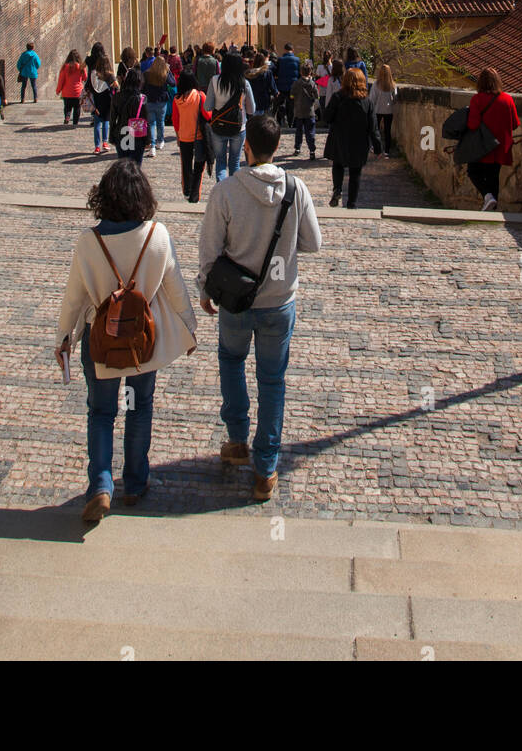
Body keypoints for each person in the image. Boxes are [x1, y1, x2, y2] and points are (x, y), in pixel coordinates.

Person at [55, 160, 197, 523]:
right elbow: (177, 289)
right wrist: (189, 328)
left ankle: (101, 485)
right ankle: (134, 483)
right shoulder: (157, 236)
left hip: (101, 342)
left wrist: (63, 339)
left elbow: (74, 297)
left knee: (101, 413)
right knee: (139, 408)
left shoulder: (90, 242)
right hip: (141, 344)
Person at [197, 114, 322, 502]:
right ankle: (266, 468)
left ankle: (236, 440)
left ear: (247, 146)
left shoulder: (226, 191)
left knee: (231, 363)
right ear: (276, 147)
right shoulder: (295, 188)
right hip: (280, 302)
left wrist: (204, 288)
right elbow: (313, 242)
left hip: (236, 300)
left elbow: (210, 248)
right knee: (273, 381)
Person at [324, 67, 381, 209]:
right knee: (355, 173)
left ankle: (337, 189)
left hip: (339, 138)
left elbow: (327, 117)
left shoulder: (338, 97)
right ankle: (352, 203)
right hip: (359, 141)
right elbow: (373, 127)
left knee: (338, 164)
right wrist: (378, 147)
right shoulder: (367, 102)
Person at [466, 67, 520, 211]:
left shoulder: (477, 100)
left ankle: (487, 196)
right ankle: (492, 207)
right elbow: (515, 124)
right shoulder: (507, 99)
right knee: (493, 176)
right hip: (501, 146)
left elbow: (473, 124)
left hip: (483, 145)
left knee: (473, 171)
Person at [205, 51, 255, 181]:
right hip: (238, 127)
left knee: (220, 162)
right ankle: (234, 192)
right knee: (235, 161)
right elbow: (251, 109)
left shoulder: (215, 81)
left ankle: (221, 191)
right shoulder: (244, 83)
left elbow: (207, 107)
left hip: (219, 126)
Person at [172, 71, 212, 200]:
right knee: (199, 165)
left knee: (186, 165)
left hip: (184, 136)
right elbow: (208, 115)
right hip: (198, 136)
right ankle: (195, 194)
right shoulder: (200, 96)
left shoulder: (176, 99)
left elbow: (175, 120)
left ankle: (186, 190)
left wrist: (177, 135)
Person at [110, 66, 148, 163]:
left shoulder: (117, 96)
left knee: (123, 166)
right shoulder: (141, 98)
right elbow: (146, 120)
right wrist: (148, 140)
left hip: (122, 132)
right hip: (137, 134)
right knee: (135, 167)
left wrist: (111, 137)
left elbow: (113, 118)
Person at [85, 44, 117, 154]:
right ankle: (105, 142)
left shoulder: (93, 74)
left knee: (97, 123)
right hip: (107, 100)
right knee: (106, 121)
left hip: (96, 100)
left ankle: (97, 146)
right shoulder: (109, 75)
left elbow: (88, 86)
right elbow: (116, 86)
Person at [142, 56, 173, 156]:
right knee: (161, 121)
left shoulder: (147, 73)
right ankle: (160, 141)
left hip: (150, 100)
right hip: (162, 100)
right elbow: (173, 83)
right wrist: (169, 71)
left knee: (151, 123)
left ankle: (152, 146)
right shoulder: (165, 73)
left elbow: (142, 87)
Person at [290, 60, 319, 159]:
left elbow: (292, 94)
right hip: (309, 111)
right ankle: (312, 150)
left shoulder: (297, 83)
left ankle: (297, 148)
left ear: (301, 72)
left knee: (299, 130)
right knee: (310, 131)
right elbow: (317, 96)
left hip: (298, 111)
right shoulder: (312, 84)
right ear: (310, 72)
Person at [371, 62, 397, 157]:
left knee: (375, 130)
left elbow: (372, 98)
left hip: (377, 110)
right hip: (388, 111)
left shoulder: (376, 84)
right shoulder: (393, 85)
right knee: (387, 131)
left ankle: (376, 148)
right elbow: (395, 98)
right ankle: (387, 151)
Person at [56, 49, 86, 126]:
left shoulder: (65, 67)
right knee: (77, 108)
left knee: (67, 107)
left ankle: (67, 116)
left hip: (67, 92)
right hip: (78, 92)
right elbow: (85, 78)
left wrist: (58, 90)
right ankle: (75, 122)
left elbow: (61, 80)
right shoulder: (81, 67)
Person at [275, 44, 300, 127]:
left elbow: (276, 72)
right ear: (292, 50)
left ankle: (279, 120)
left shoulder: (280, 60)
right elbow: (299, 74)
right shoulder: (297, 60)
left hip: (281, 87)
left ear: (285, 50)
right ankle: (291, 123)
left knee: (280, 104)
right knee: (291, 106)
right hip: (293, 87)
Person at [248, 51, 279, 117]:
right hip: (264, 100)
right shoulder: (267, 72)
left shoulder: (249, 73)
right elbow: (272, 86)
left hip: (252, 99)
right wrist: (276, 93)